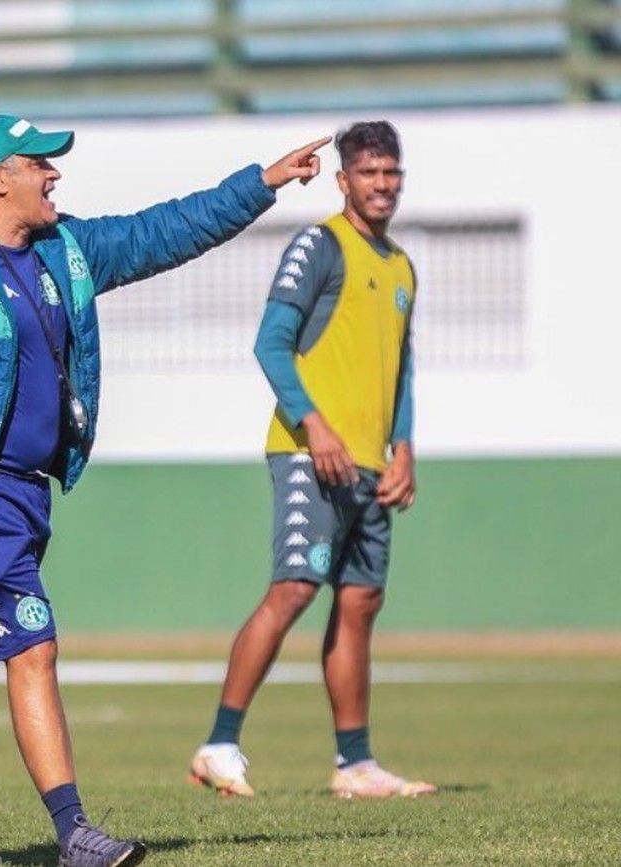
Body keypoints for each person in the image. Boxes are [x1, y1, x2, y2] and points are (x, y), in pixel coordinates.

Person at [0, 113, 327, 866]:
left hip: (22, 494)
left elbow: (162, 232)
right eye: (38, 163)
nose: (54, 175)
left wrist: (262, 184)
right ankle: (74, 831)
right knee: (34, 643)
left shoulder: (64, 251)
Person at [188, 121, 436, 801]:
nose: (382, 184)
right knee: (295, 586)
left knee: (360, 601)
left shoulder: (401, 267)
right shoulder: (319, 245)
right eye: (369, 172)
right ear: (344, 179)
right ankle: (219, 743)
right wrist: (315, 426)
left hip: (370, 464)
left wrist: (404, 447)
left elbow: (401, 368)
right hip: (308, 452)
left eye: (392, 172)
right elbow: (271, 344)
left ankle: (355, 763)